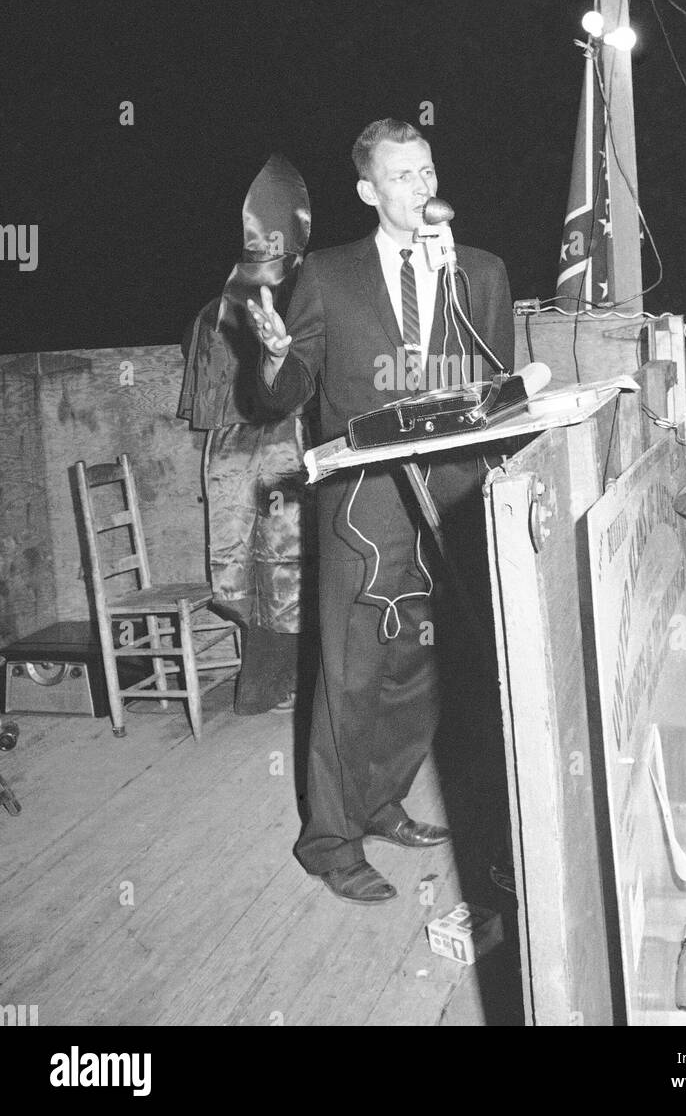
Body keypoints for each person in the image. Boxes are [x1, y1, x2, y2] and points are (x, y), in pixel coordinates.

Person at [247, 118, 514, 905]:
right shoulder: (328, 276)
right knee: (352, 669)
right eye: (403, 176)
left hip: (456, 497)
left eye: (428, 170)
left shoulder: (484, 273)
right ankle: (329, 839)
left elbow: (493, 392)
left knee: (424, 665)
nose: (423, 188)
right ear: (369, 191)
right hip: (363, 505)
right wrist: (272, 356)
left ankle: (382, 798)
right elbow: (284, 394)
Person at [178, 154, 311, 714]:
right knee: (289, 569)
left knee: (259, 573)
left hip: (229, 459)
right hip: (286, 451)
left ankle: (261, 690)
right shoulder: (303, 294)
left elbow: (204, 406)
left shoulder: (213, 308)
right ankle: (275, 688)